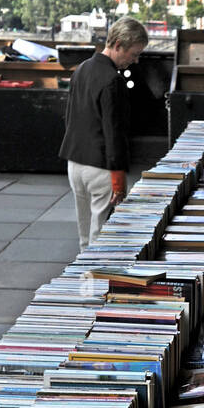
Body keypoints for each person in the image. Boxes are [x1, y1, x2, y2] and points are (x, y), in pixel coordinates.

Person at [59, 15, 148, 251]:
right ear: (118, 45)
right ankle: (97, 284)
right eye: (134, 54)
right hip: (101, 167)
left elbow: (70, 117)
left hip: (75, 162)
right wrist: (119, 180)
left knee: (85, 236)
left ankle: (83, 280)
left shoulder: (81, 69)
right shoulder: (112, 80)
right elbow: (114, 132)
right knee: (102, 237)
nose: (135, 61)